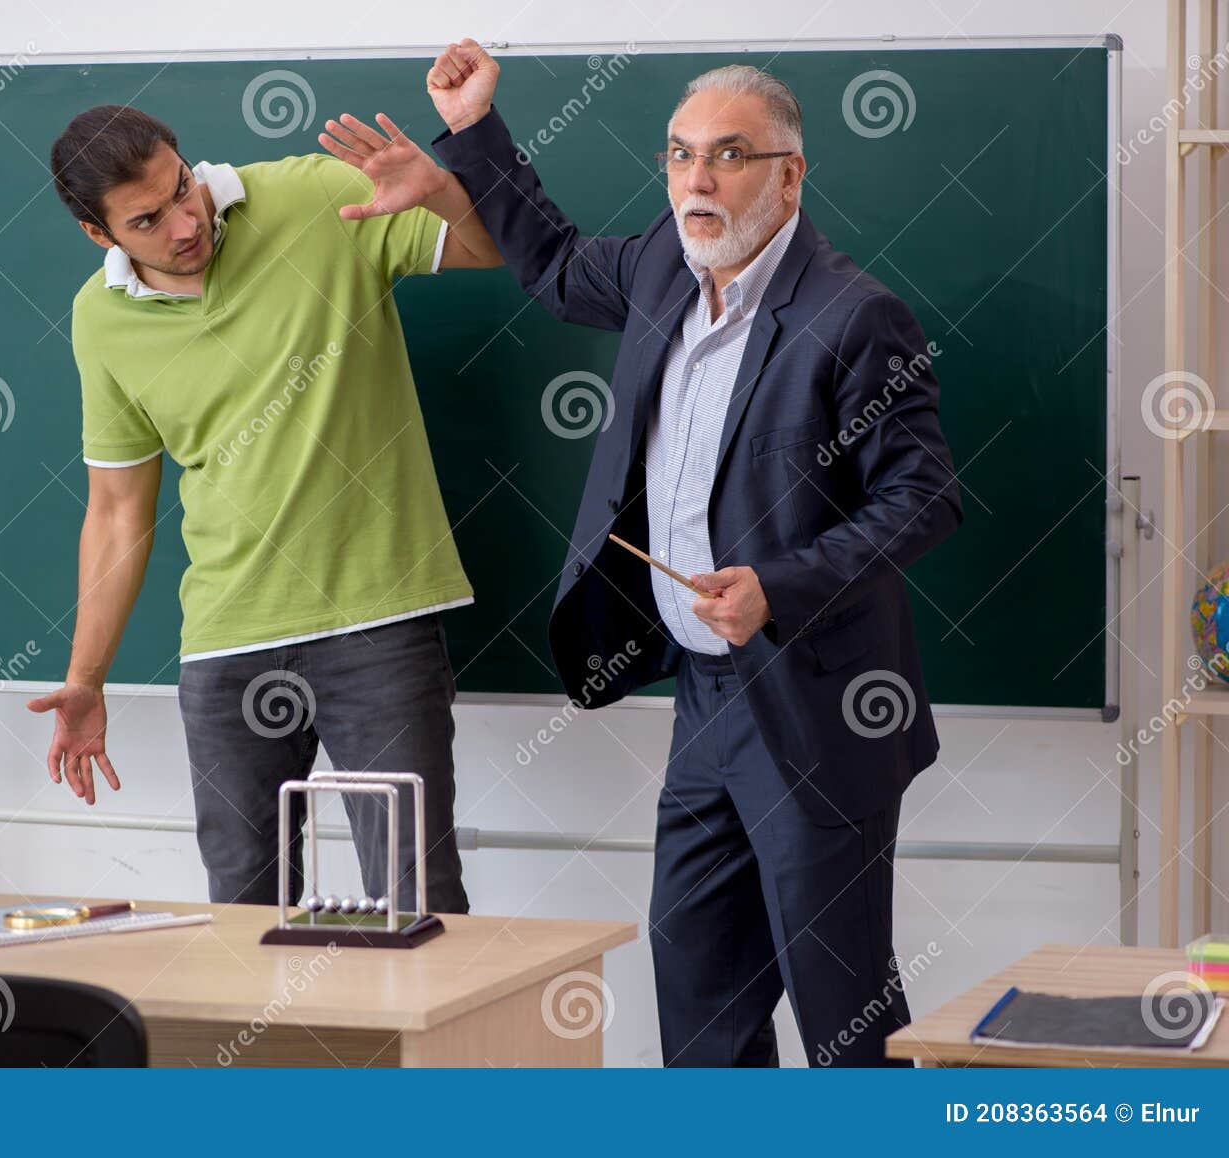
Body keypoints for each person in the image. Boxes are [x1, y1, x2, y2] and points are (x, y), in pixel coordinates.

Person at [403, 41, 964, 1064]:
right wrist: (476, 128)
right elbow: (555, 262)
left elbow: (924, 497)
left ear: (788, 175)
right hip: (704, 704)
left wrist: (779, 587)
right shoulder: (667, 263)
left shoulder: (853, 316)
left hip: (816, 705)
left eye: (728, 155)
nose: (695, 179)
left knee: (840, 1014)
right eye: (678, 154)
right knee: (699, 1001)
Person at [28, 103, 502, 915]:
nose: (183, 224)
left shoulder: (316, 195)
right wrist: (85, 679)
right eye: (146, 219)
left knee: (419, 905)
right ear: (97, 235)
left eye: (182, 190)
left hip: (378, 625)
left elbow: (488, 249)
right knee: (240, 921)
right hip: (227, 646)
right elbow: (115, 509)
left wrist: (447, 192)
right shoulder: (100, 319)